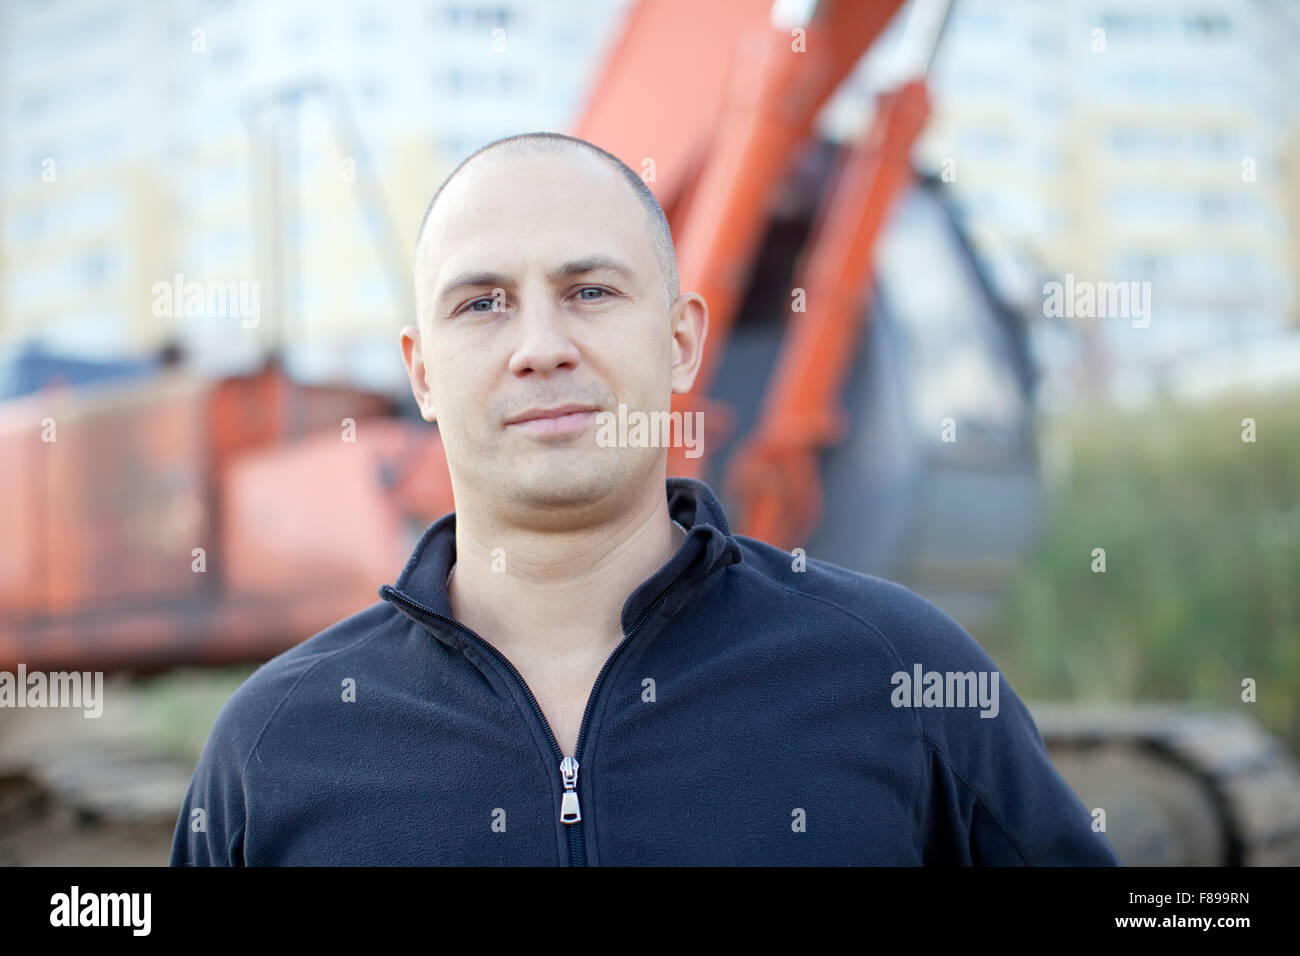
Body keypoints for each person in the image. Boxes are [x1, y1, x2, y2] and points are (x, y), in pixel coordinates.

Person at [170, 131, 1120, 866]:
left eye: (589, 291)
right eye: (481, 303)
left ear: (680, 342)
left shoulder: (899, 673)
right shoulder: (275, 742)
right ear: (421, 373)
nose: (540, 344)